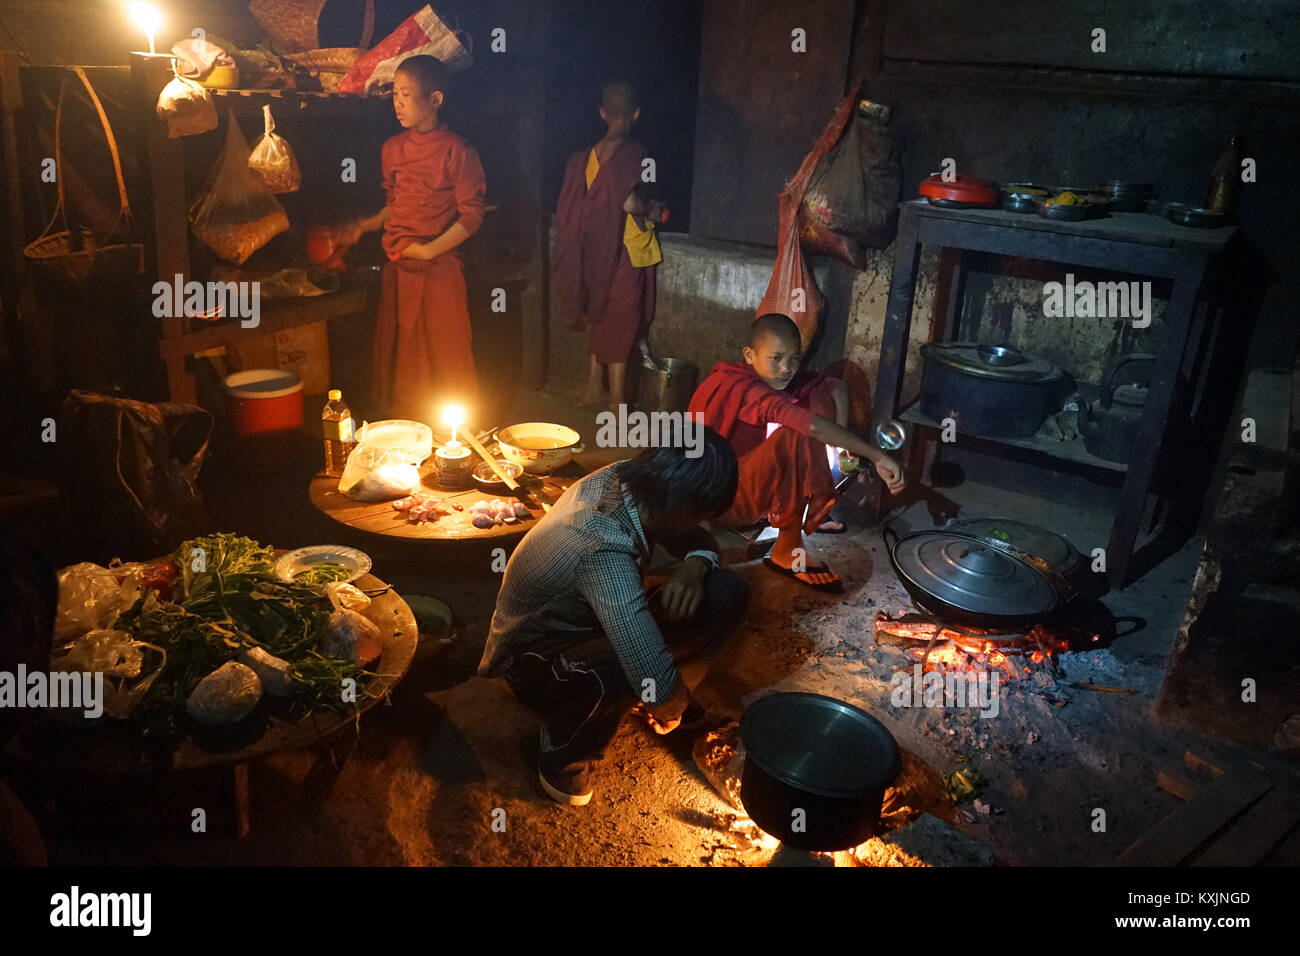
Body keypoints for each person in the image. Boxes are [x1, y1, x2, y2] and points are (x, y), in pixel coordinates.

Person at [479, 431, 748, 807]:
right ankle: (562, 750)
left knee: (726, 591)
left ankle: (662, 698)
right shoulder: (600, 542)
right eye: (699, 515)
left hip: (590, 620)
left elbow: (697, 541)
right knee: (629, 664)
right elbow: (639, 653)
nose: (703, 524)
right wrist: (665, 701)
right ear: (681, 510)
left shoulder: (633, 480)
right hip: (531, 661)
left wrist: (694, 565)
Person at [688, 313, 907, 593]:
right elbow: (812, 426)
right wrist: (878, 456)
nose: (786, 369)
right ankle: (788, 548)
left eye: (794, 359)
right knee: (797, 434)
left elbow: (834, 385)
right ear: (749, 355)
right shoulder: (747, 390)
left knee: (812, 409)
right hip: (720, 501)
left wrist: (842, 439)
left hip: (711, 490)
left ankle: (796, 509)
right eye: (776, 358)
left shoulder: (733, 373)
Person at [339, 55, 486, 420]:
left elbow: (472, 214)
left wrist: (429, 249)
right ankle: (408, 426)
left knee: (448, 352)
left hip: (439, 270)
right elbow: (397, 204)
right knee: (400, 350)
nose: (398, 103)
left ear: (435, 100)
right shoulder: (393, 148)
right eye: (394, 95)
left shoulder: (458, 150)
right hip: (400, 267)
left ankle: (456, 433)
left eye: (406, 94)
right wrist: (364, 226)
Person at [553, 80, 663, 410]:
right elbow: (628, 203)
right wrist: (652, 209)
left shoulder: (583, 157)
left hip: (592, 248)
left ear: (603, 113)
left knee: (599, 310)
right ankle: (616, 399)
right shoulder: (632, 152)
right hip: (624, 247)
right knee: (623, 318)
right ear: (636, 114)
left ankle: (592, 388)